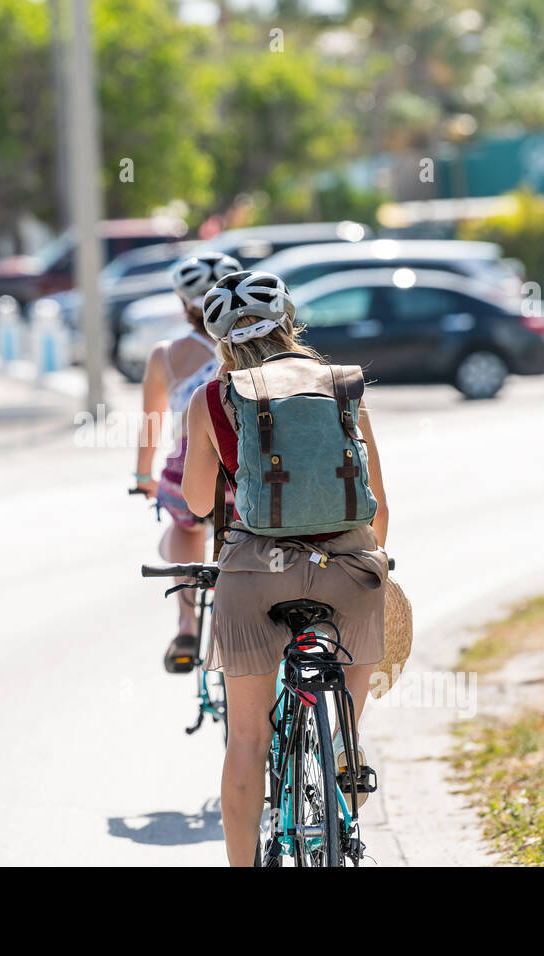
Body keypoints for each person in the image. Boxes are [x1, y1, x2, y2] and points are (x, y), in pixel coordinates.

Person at [180, 270, 390, 867]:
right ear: (292, 320)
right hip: (351, 570)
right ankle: (343, 769)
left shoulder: (211, 399)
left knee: (246, 740)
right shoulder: (342, 385)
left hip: (255, 574)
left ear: (218, 338)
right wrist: (370, 562)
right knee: (347, 713)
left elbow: (197, 505)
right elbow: (377, 498)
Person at [134, 252, 241, 672]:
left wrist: (143, 477)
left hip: (189, 474)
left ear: (184, 305)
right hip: (249, 472)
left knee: (182, 524)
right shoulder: (251, 347)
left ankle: (186, 621)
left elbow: (151, 427)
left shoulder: (166, 355)